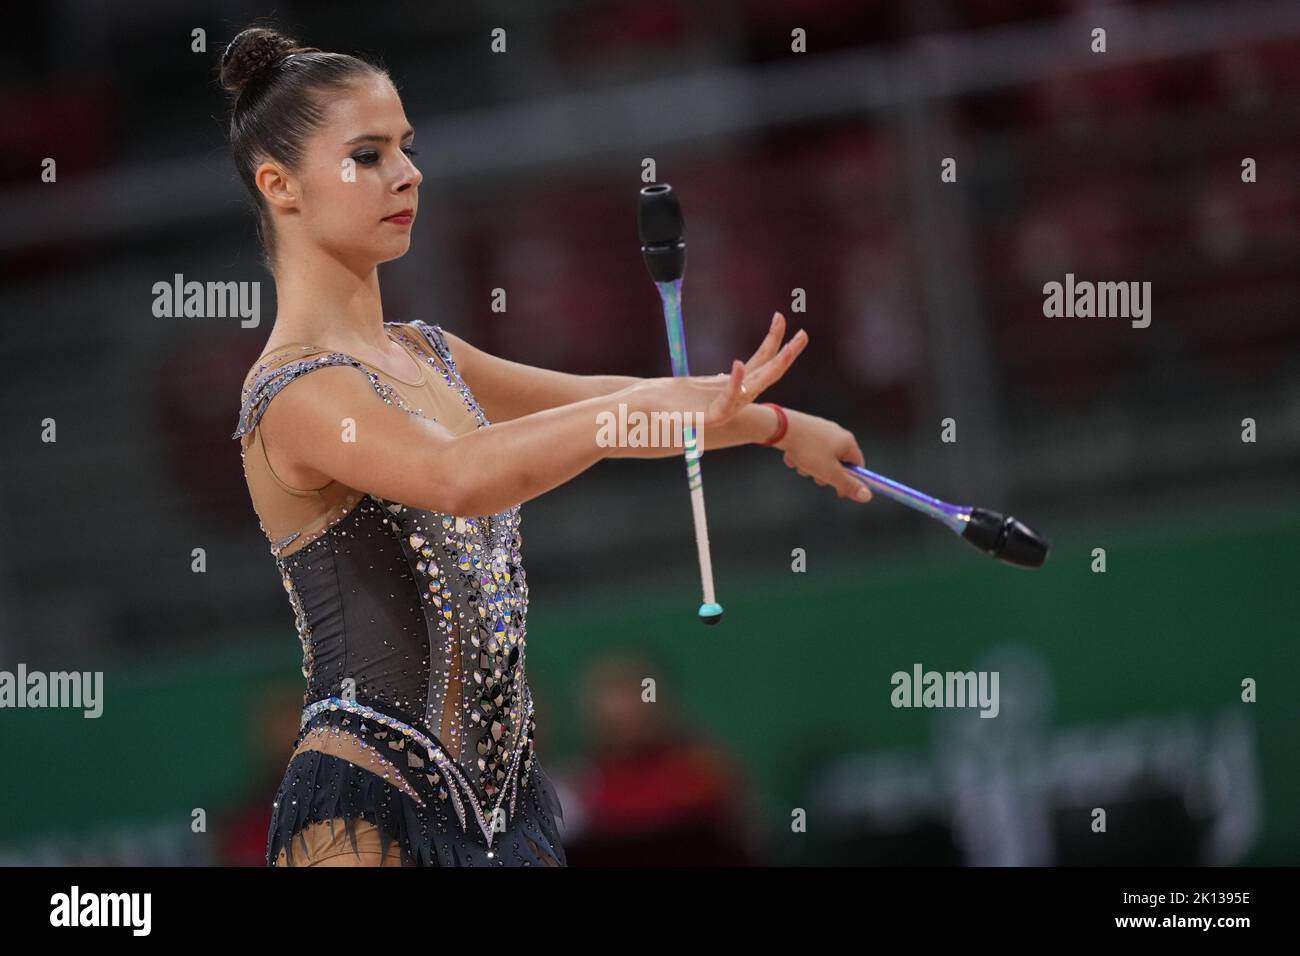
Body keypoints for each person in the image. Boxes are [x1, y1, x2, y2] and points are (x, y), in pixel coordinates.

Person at [220, 25, 872, 867]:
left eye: (408, 148)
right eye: (369, 154)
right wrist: (646, 414)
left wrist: (769, 422)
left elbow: (607, 404)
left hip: (509, 809)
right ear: (280, 185)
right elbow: (458, 477)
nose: (409, 173)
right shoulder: (296, 393)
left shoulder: (429, 356)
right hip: (368, 808)